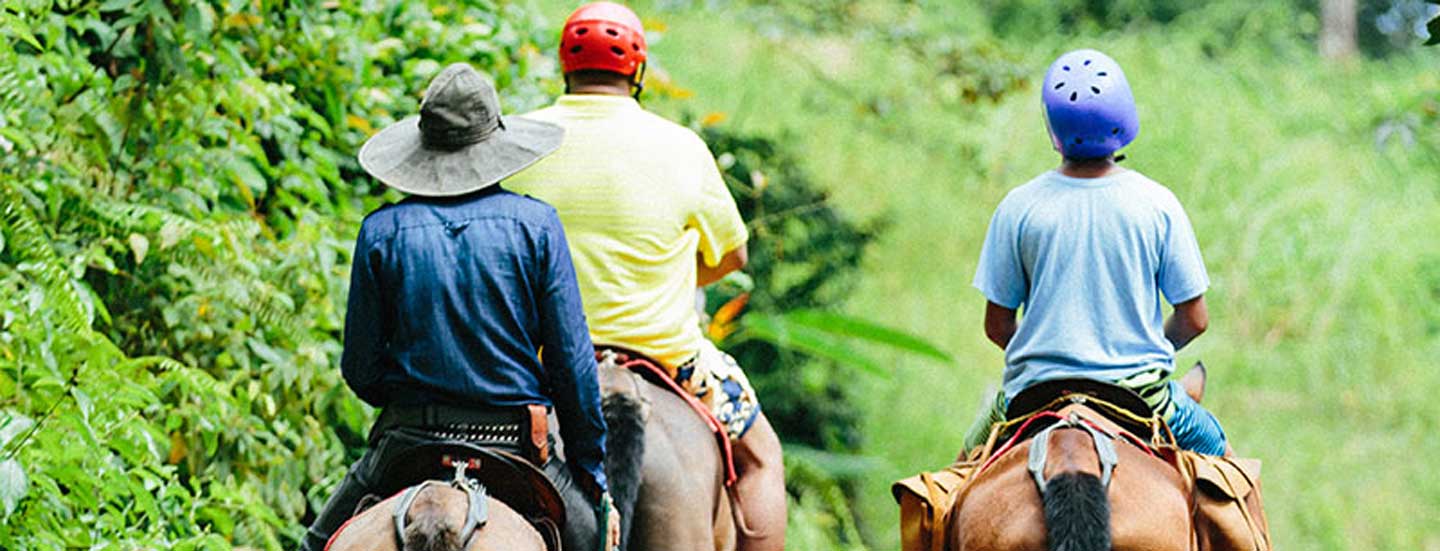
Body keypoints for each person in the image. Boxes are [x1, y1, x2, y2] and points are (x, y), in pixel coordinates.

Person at [503, 3, 786, 549]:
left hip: (536, 361)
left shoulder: (518, 141)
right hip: (670, 360)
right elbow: (733, 256)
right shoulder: (682, 146)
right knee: (762, 459)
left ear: (565, 66)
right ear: (636, 72)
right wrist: (679, 276)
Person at [301, 63, 619, 551]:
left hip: (408, 438)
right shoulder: (537, 226)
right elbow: (572, 365)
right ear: (493, 145)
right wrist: (590, 468)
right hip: (517, 443)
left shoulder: (381, 231)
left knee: (314, 544)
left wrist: (414, 396)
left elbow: (361, 370)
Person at [964, 49, 1229, 457]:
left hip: (1031, 396)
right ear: (1125, 116)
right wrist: (1137, 350)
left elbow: (997, 327)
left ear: (1053, 128)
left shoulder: (1017, 207)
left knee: (956, 484)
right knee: (1228, 468)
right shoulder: (1158, 204)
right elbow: (1195, 319)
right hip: (1142, 396)